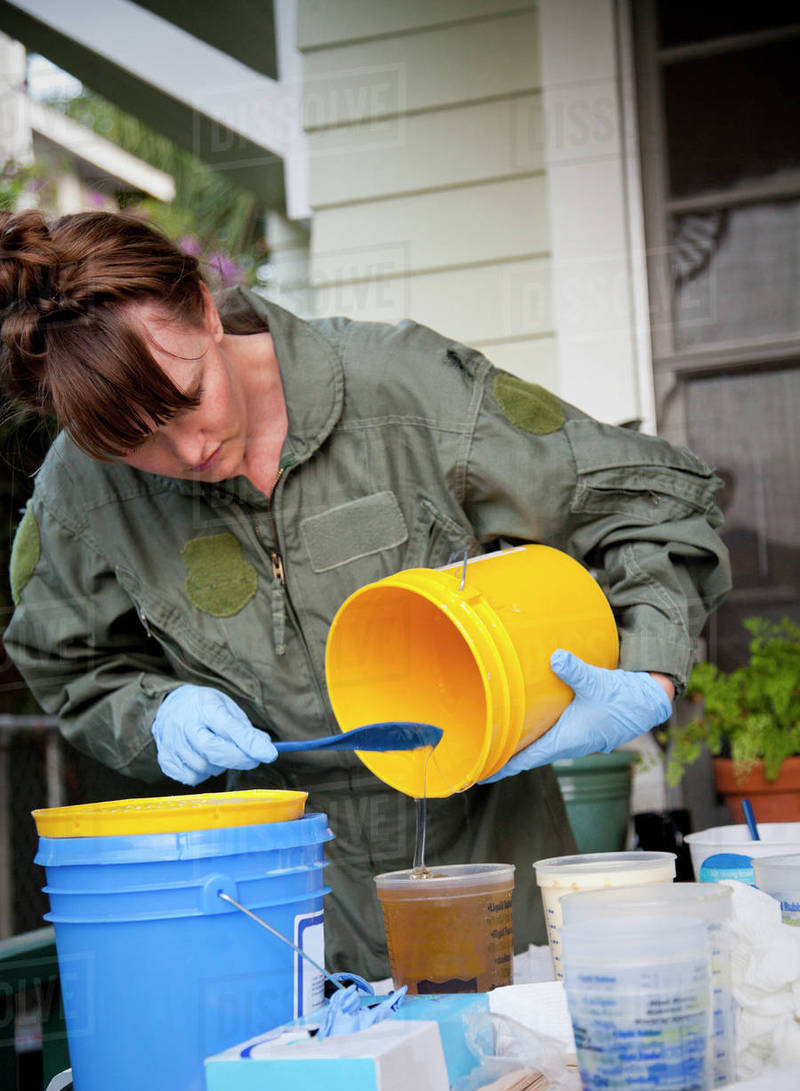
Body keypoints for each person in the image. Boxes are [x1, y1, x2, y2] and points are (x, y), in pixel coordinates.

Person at [0, 210, 731, 979]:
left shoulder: (408, 386)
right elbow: (72, 663)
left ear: (206, 309)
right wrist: (156, 716)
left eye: (190, 396)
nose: (189, 451)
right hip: (276, 907)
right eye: (138, 442)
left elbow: (654, 499)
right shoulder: (82, 491)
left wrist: (648, 672)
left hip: (491, 867)